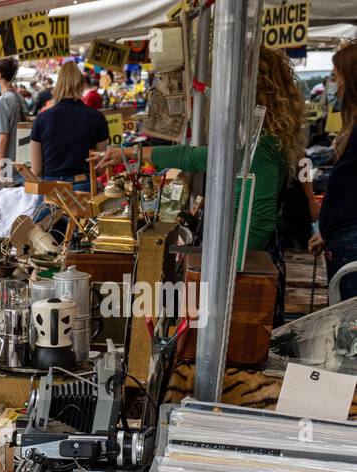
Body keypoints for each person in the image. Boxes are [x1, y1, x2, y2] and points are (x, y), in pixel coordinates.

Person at [95, 47, 305, 254]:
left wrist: (232, 268)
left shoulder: (259, 144)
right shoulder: (254, 138)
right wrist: (133, 152)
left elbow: (261, 220)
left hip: (241, 264)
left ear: (247, 89)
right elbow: (193, 156)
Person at [311, 43, 357, 302]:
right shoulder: (351, 125)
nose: (333, 84)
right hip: (343, 238)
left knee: (350, 331)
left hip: (350, 243)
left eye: (336, 77)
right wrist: (327, 232)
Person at [29, 63, 108, 189]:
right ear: (82, 85)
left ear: (58, 85)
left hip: (51, 189)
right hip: (85, 187)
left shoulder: (41, 118)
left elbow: (36, 170)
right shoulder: (97, 117)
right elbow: (100, 169)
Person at [0, 58, 22, 182]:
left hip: (6, 163)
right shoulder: (19, 97)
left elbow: (3, 138)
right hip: (20, 161)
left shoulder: (3, 101)